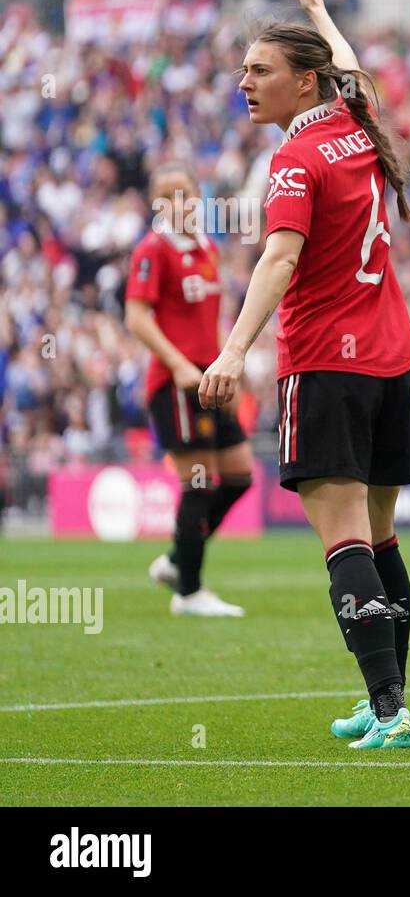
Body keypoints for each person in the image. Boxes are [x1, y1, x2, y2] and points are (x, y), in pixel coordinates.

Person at [199, 0, 410, 749]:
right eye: (243, 69)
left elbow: (279, 260)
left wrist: (232, 349)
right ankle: (388, 698)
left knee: (344, 542)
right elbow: (353, 67)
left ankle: (390, 710)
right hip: (391, 359)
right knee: (380, 538)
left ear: (303, 83)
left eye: (259, 71)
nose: (244, 82)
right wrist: (321, 11)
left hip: (326, 364)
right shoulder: (357, 127)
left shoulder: (296, 160)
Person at [125, 163, 252, 617]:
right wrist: (178, 364)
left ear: (199, 197)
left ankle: (178, 560)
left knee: (240, 475)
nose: (177, 202)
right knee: (199, 482)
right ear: (156, 204)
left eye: (184, 192)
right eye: (166, 195)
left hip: (209, 376)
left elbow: (209, 320)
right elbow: (137, 316)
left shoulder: (206, 248)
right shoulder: (152, 250)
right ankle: (190, 592)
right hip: (177, 383)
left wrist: (227, 367)